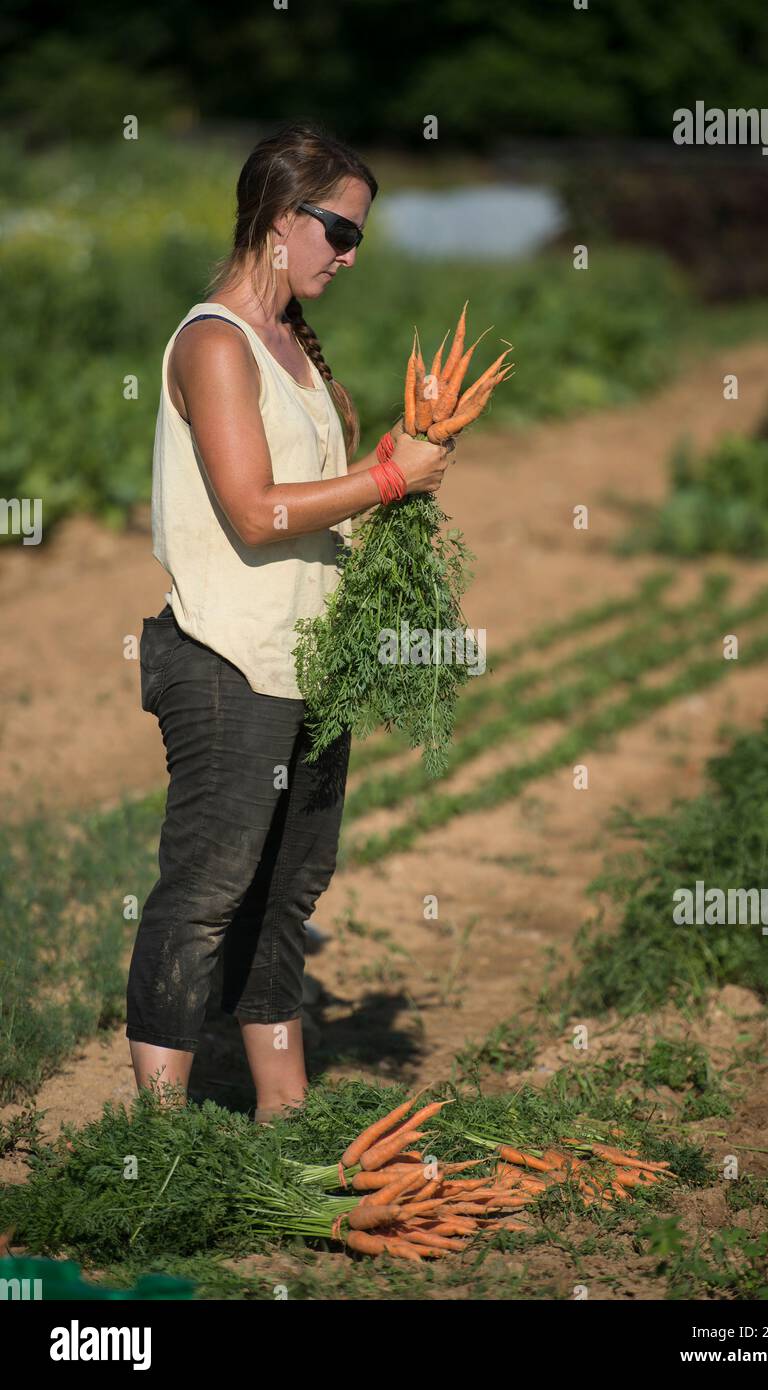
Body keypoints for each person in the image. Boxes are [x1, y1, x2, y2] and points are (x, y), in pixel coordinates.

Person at [126, 120, 451, 1123]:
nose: (349, 256)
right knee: (206, 890)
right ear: (278, 218)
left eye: (359, 239)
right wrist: (386, 475)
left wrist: (390, 466)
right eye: (338, 233)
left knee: (285, 895)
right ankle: (156, 1141)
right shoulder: (216, 342)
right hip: (227, 662)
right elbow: (255, 511)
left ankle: (285, 1114)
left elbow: (319, 496)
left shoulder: (291, 349)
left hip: (309, 664)